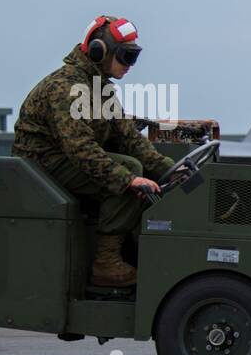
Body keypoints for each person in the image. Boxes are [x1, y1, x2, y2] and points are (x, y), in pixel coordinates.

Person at [12, 15, 175, 286]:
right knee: (131, 171)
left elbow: (130, 140)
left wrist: (171, 170)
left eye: (134, 57)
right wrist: (129, 180)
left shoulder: (100, 88)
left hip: (63, 162)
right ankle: (106, 263)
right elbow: (81, 150)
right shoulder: (66, 87)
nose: (130, 66)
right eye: (126, 57)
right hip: (40, 169)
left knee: (137, 165)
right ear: (101, 52)